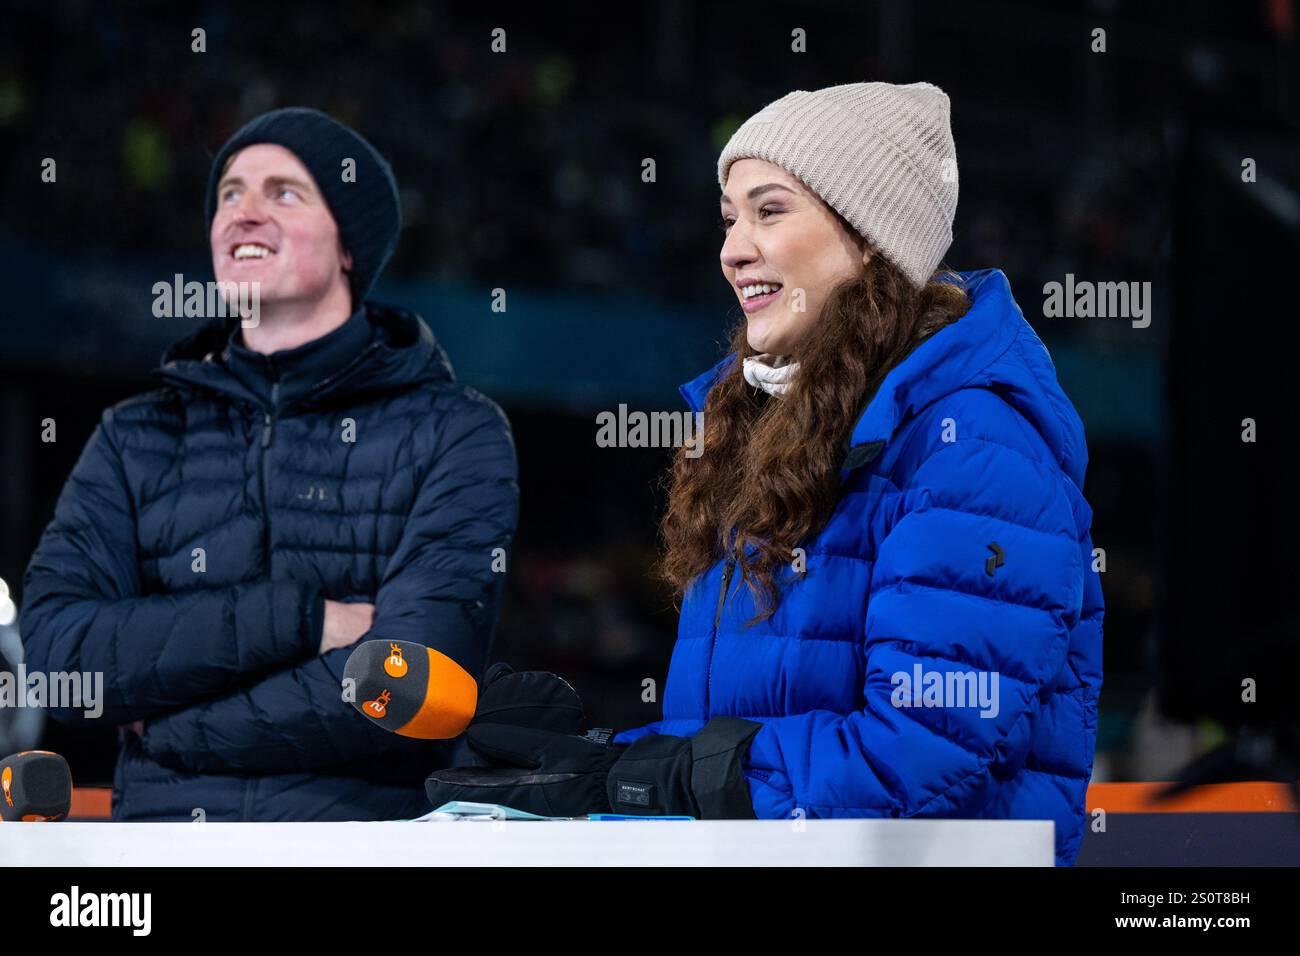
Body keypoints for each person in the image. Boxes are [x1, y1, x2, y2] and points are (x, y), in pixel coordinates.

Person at [425, 82, 1104, 866]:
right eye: (729, 218)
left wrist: (649, 778)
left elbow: (918, 754)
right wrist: (600, 753)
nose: (733, 248)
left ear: (872, 236)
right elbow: (743, 740)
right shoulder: (778, 426)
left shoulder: (975, 444)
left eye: (770, 210)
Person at [19, 107, 519, 821]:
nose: (244, 213)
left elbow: (405, 689)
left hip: (361, 856)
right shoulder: (133, 435)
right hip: (157, 857)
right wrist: (304, 621)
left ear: (350, 245)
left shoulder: (456, 431)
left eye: (284, 192)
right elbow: (61, 664)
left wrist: (167, 722)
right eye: (229, 193)